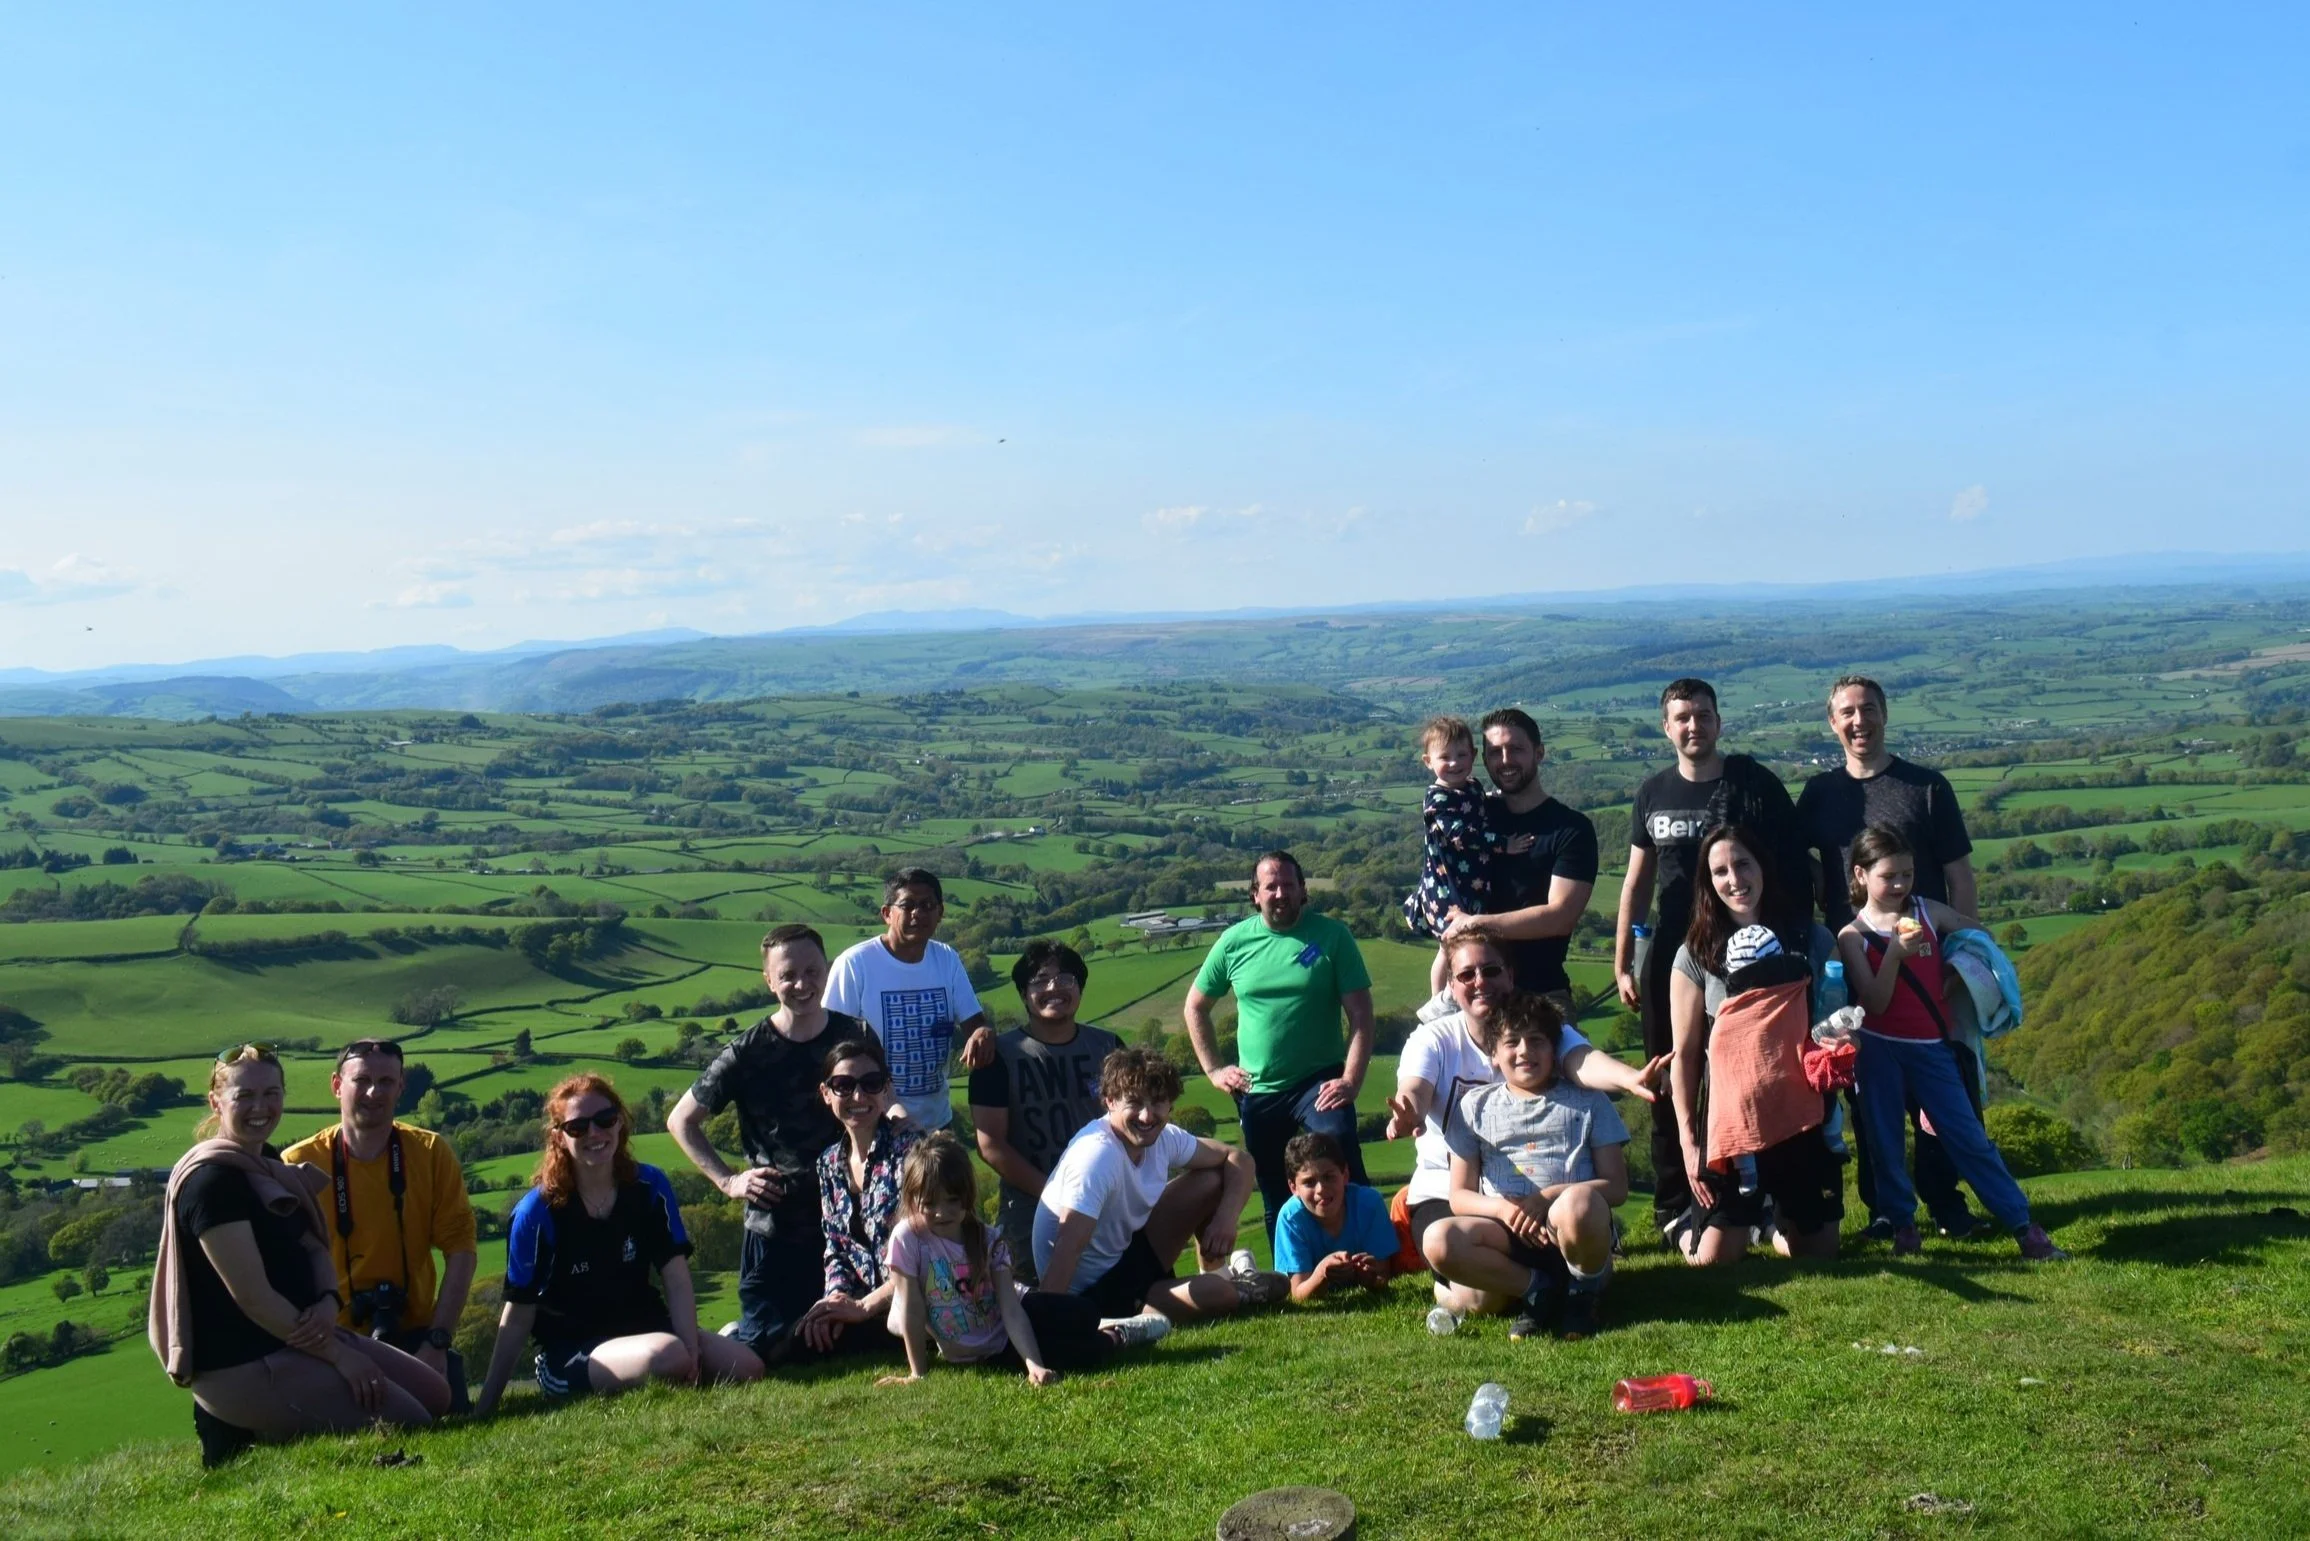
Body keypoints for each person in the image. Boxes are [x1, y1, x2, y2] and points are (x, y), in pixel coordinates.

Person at [152, 1046, 447, 1465]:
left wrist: (328, 1300)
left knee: (437, 1395)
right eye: (245, 1096)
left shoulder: (265, 1162)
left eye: (271, 1093)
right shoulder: (212, 1185)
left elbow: (311, 1244)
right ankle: (248, 1425)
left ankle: (288, 1414)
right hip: (248, 1361)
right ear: (217, 1102)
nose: (261, 1108)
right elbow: (255, 1299)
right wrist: (342, 1357)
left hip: (303, 1337)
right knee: (413, 1421)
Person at [1613, 678, 1808, 1233]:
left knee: (1757, 1072)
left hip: (1747, 953)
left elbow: (1789, 866)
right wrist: (1623, 958)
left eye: (1702, 714)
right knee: (1670, 1072)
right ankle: (1676, 1201)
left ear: (1719, 721)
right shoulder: (1653, 792)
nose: (1693, 725)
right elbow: (1635, 881)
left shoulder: (1754, 786)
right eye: (1682, 717)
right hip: (1673, 954)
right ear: (1666, 727)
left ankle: (1761, 1195)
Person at [1797, 675, 1986, 1238]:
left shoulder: (1925, 787)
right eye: (1847, 713)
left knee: (1944, 1089)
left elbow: (1959, 876)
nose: (1860, 722)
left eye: (1869, 710)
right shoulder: (1820, 794)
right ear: (1832, 722)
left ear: (1885, 714)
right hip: (1855, 963)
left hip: (1927, 968)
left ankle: (1946, 1202)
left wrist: (1960, 954)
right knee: (1869, 1095)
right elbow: (1802, 864)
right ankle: (1885, 1209)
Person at [1389, 933, 1664, 1306]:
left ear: (1510, 975)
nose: (1480, 982)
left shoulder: (1536, 1026)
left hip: (1546, 1193)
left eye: (1490, 970)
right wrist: (1409, 1112)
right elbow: (1415, 1087)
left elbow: (1582, 1061)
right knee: (1479, 1300)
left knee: (1498, 1283)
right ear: (1451, 986)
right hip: (1455, 1194)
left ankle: (1567, 1271)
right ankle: (1541, 1286)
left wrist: (1629, 1079)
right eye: (1467, 975)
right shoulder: (1434, 1039)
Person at [1836, 828, 2068, 1262]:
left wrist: (1958, 971)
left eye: (1908, 873)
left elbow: (1979, 940)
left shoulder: (1930, 912)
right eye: (1890, 876)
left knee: (1968, 1138)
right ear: (1861, 875)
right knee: (1884, 1144)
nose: (1902, 885)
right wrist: (1894, 955)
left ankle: (2023, 1226)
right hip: (1879, 1050)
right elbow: (1875, 1002)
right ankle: (1903, 1227)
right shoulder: (1852, 935)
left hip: (1930, 1047)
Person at [474, 1074, 761, 1413]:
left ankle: (712, 1345)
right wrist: (487, 1405)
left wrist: (693, 1350)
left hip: (648, 1327)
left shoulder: (649, 1186)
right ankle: (677, 1356)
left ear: (620, 1122)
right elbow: (519, 1311)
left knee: (748, 1369)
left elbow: (676, 1277)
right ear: (559, 1137)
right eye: (578, 1127)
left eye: (605, 1120)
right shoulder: (537, 1213)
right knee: (666, 1356)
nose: (595, 1133)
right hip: (575, 1349)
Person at [667, 923, 863, 1360]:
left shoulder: (856, 1037)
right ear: (769, 980)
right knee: (768, 1354)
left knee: (849, 1343)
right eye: (788, 974)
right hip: (774, 1229)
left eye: (812, 971)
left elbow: (883, 1105)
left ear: (827, 970)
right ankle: (734, 1335)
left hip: (847, 1222)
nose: (802, 984)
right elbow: (681, 1121)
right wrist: (727, 1182)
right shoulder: (747, 1051)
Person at [1665, 825, 1845, 1266]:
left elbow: (1834, 1022)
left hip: (1800, 1120)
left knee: (1820, 1254)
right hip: (1731, 1125)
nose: (1734, 879)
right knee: (1715, 1261)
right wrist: (1690, 1143)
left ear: (1763, 866)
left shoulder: (1812, 939)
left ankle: (1772, 1224)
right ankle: (1688, 1229)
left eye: (1743, 864)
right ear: (1708, 883)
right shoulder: (1695, 952)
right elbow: (1685, 1056)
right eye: (1720, 871)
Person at [1184, 850, 1375, 1244]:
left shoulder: (1332, 936)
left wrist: (1351, 1080)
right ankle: (1293, 1274)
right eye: (1271, 886)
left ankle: (1376, 1253)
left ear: (1303, 891)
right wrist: (1215, 1070)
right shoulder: (1234, 942)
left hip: (1319, 1080)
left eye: (1289, 884)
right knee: (1274, 1184)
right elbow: (1195, 1007)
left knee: (1340, 1155)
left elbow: (1361, 1016)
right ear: (1255, 894)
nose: (1280, 893)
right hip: (1259, 1087)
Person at [281, 1037, 478, 1410]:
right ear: (337, 1085)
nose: (374, 1092)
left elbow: (461, 1249)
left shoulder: (430, 1152)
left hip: (417, 1335)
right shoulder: (299, 1162)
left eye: (387, 1082)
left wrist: (437, 1342)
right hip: (333, 1337)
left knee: (440, 1408)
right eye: (362, 1080)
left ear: (401, 1087)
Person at [877, 1133, 1165, 1388]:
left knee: (1084, 1313)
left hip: (1015, 1315)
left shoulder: (986, 1240)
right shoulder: (908, 1239)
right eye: (930, 1203)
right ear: (913, 1200)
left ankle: (1105, 1322)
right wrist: (918, 1374)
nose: (942, 1212)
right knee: (1083, 1352)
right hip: (992, 1349)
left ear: (967, 1196)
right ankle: (1120, 1334)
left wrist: (1033, 1364)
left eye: (952, 1200)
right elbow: (912, 1309)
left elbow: (1010, 1308)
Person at [1430, 994, 1630, 1341]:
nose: (1524, 1051)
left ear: (1555, 1050)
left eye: (1536, 1041)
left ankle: (1583, 1293)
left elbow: (1616, 1187)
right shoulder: (1473, 1107)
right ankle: (1539, 1290)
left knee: (1576, 1203)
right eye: (1511, 1043)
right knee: (1438, 1240)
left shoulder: (1590, 1101)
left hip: (1574, 1231)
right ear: (1494, 1053)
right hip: (1507, 1235)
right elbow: (1460, 1196)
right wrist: (1504, 1210)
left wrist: (1550, 1196)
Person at [1034, 1048, 1283, 1322]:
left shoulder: (1163, 1136)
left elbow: (1239, 1159)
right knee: (1217, 1295)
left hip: (1128, 1255)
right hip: (1092, 1290)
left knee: (1213, 1178)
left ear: (1170, 1106)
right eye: (1134, 1103)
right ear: (1109, 1102)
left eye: (1157, 1102)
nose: (1146, 1116)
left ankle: (1220, 1273)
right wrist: (1049, 1323)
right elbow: (1068, 1244)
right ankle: (1235, 1287)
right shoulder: (1097, 1156)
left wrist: (1225, 1219)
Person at [968, 940, 1121, 1285]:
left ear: (1080, 987)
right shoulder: (998, 1058)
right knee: (1037, 1300)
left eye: (1065, 978)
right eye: (1040, 980)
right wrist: (1056, 1194)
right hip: (1030, 1205)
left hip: (1108, 1198)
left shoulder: (1109, 1048)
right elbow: (990, 1144)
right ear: (1023, 994)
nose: (1054, 988)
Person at [1442, 708, 1598, 1012]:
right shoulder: (1475, 819)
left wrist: (1474, 925)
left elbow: (1561, 917)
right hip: (1474, 995)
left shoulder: (1570, 829)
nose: (1505, 760)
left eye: (1515, 749)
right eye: (1494, 752)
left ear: (1538, 753)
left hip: (1540, 995)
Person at [823, 868, 996, 1132]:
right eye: (908, 905)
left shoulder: (947, 959)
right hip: (873, 1124)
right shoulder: (855, 964)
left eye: (927, 905)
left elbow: (975, 1021)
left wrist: (983, 1033)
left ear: (940, 913)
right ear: (887, 914)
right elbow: (830, 1046)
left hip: (937, 1123)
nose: (918, 913)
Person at [794, 1036, 920, 1357]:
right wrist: (836, 1299)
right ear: (826, 1093)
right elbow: (837, 1247)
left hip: (918, 1301)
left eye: (871, 1083)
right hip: (864, 1306)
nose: (858, 1095)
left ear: (886, 1089)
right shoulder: (829, 1163)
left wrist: (865, 1307)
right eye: (843, 1085)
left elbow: (928, 1252)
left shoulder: (912, 1153)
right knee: (794, 1341)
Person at [1401, 715, 1532, 996]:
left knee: (1470, 941)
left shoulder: (1470, 787)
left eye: (1462, 755)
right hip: (1446, 886)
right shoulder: (1437, 799)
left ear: (1473, 756)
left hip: (1470, 882)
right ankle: (1439, 1003)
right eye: (1445, 757)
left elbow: (1483, 803)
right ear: (1428, 761)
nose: (1454, 763)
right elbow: (1462, 835)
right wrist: (1503, 844)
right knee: (1449, 945)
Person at [1271, 1132, 1399, 1303]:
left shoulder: (1369, 1204)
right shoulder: (1291, 1218)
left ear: (1345, 1175)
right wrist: (1322, 1274)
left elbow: (1384, 1275)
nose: (1321, 1189)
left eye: (1329, 1177)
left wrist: (1369, 1277)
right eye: (1309, 1182)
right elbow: (1298, 1294)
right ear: (1293, 1187)